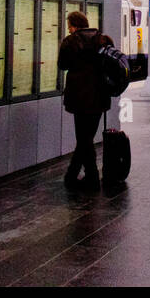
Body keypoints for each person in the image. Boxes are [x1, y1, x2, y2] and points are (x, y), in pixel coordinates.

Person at [58, 10, 109, 190]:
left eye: (69, 25)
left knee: (84, 138)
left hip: (79, 98)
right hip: (99, 97)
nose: (69, 29)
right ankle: (84, 176)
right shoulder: (103, 40)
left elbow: (62, 65)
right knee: (86, 138)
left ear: (74, 25)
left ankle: (85, 177)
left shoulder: (70, 42)